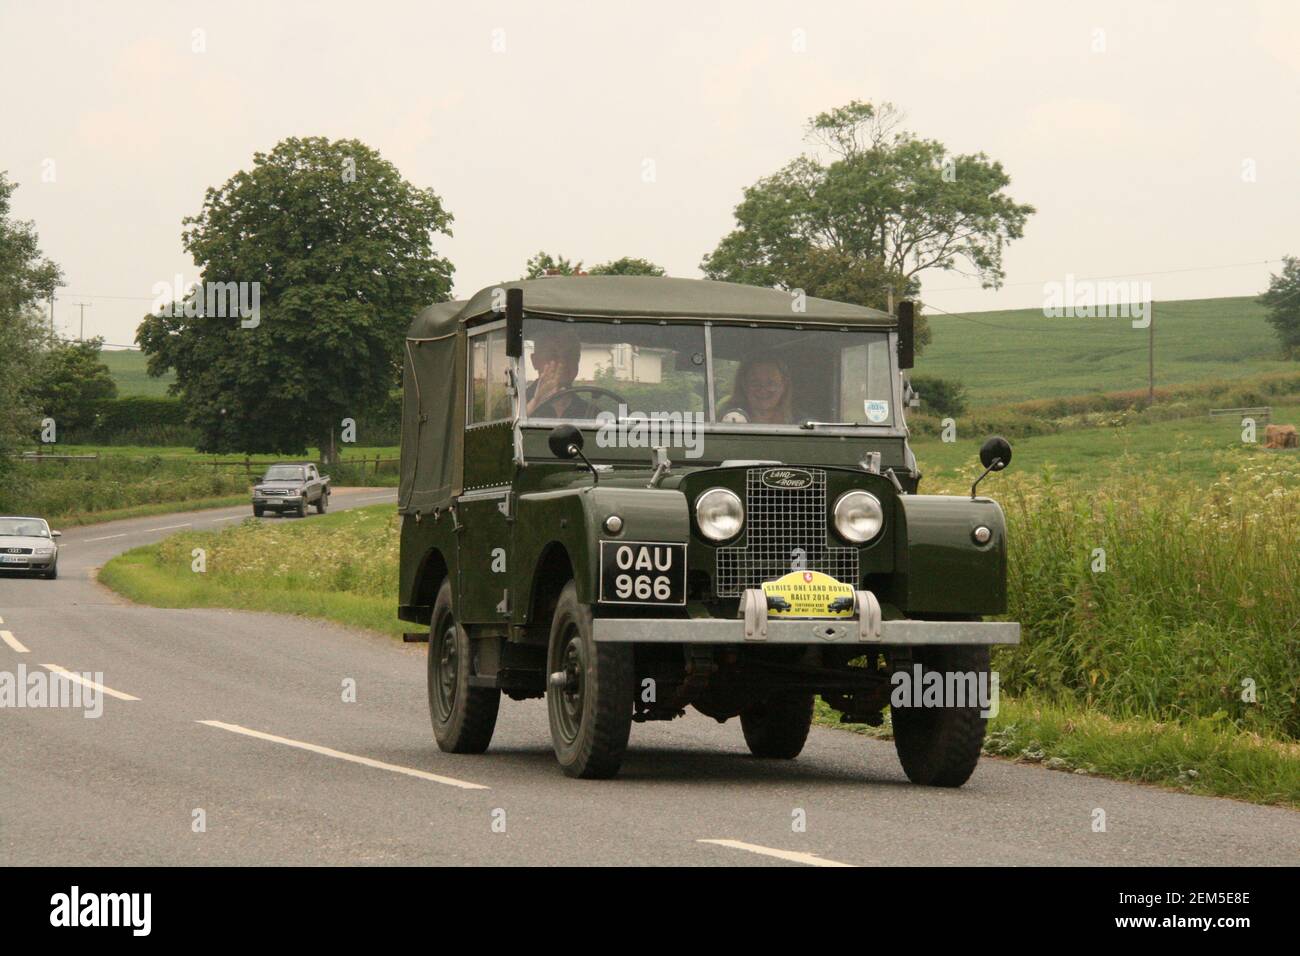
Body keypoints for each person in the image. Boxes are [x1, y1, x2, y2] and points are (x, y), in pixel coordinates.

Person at [526, 325, 592, 418]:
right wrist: (535, 403)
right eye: (553, 355)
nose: (562, 362)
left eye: (570, 355)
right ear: (535, 361)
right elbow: (506, 430)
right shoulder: (513, 406)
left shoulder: (590, 413)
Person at [720, 355, 795, 424]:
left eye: (771, 383)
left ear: (784, 385)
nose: (763, 390)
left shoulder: (799, 423)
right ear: (744, 385)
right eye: (755, 383)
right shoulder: (727, 420)